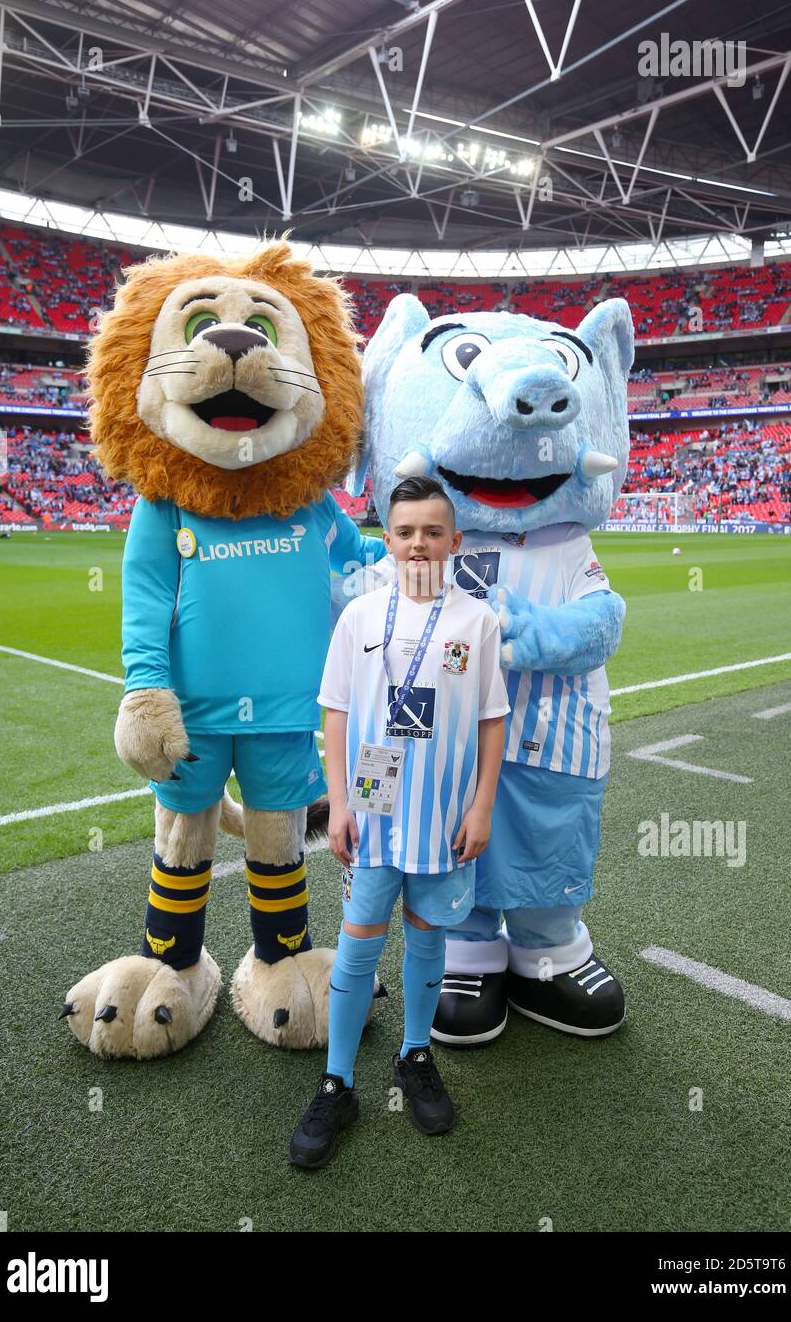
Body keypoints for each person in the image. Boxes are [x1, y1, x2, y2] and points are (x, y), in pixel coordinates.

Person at [288, 475, 509, 1169]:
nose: (419, 543)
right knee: (356, 947)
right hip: (375, 806)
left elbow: (491, 720)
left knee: (425, 942)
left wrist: (480, 805)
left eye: (432, 532)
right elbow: (336, 711)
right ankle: (338, 1081)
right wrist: (340, 803)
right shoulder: (360, 617)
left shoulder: (476, 621)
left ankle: (415, 1057)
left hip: (443, 816)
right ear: (389, 540)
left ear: (455, 542)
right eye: (406, 531)